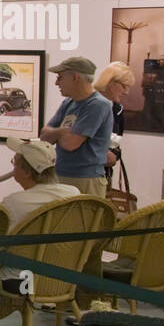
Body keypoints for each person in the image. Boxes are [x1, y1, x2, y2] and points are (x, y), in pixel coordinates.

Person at [39, 56, 114, 312]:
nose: (57, 82)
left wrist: (60, 133)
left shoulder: (99, 106)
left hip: (87, 181)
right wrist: (63, 132)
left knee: (87, 244)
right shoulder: (68, 103)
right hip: (62, 177)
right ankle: (62, 296)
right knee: (61, 240)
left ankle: (91, 302)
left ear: (75, 77)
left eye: (61, 76)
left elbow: (70, 143)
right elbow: (44, 134)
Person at [0, 138, 79, 291]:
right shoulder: (73, 193)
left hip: (20, 279)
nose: (13, 166)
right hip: (64, 276)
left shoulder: (14, 203)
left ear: (27, 172)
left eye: (15, 162)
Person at [94, 60, 135, 183]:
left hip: (103, 177)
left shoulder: (117, 110)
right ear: (111, 82)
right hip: (82, 175)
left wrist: (113, 155)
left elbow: (115, 145)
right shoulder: (88, 104)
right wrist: (102, 156)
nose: (126, 92)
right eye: (124, 86)